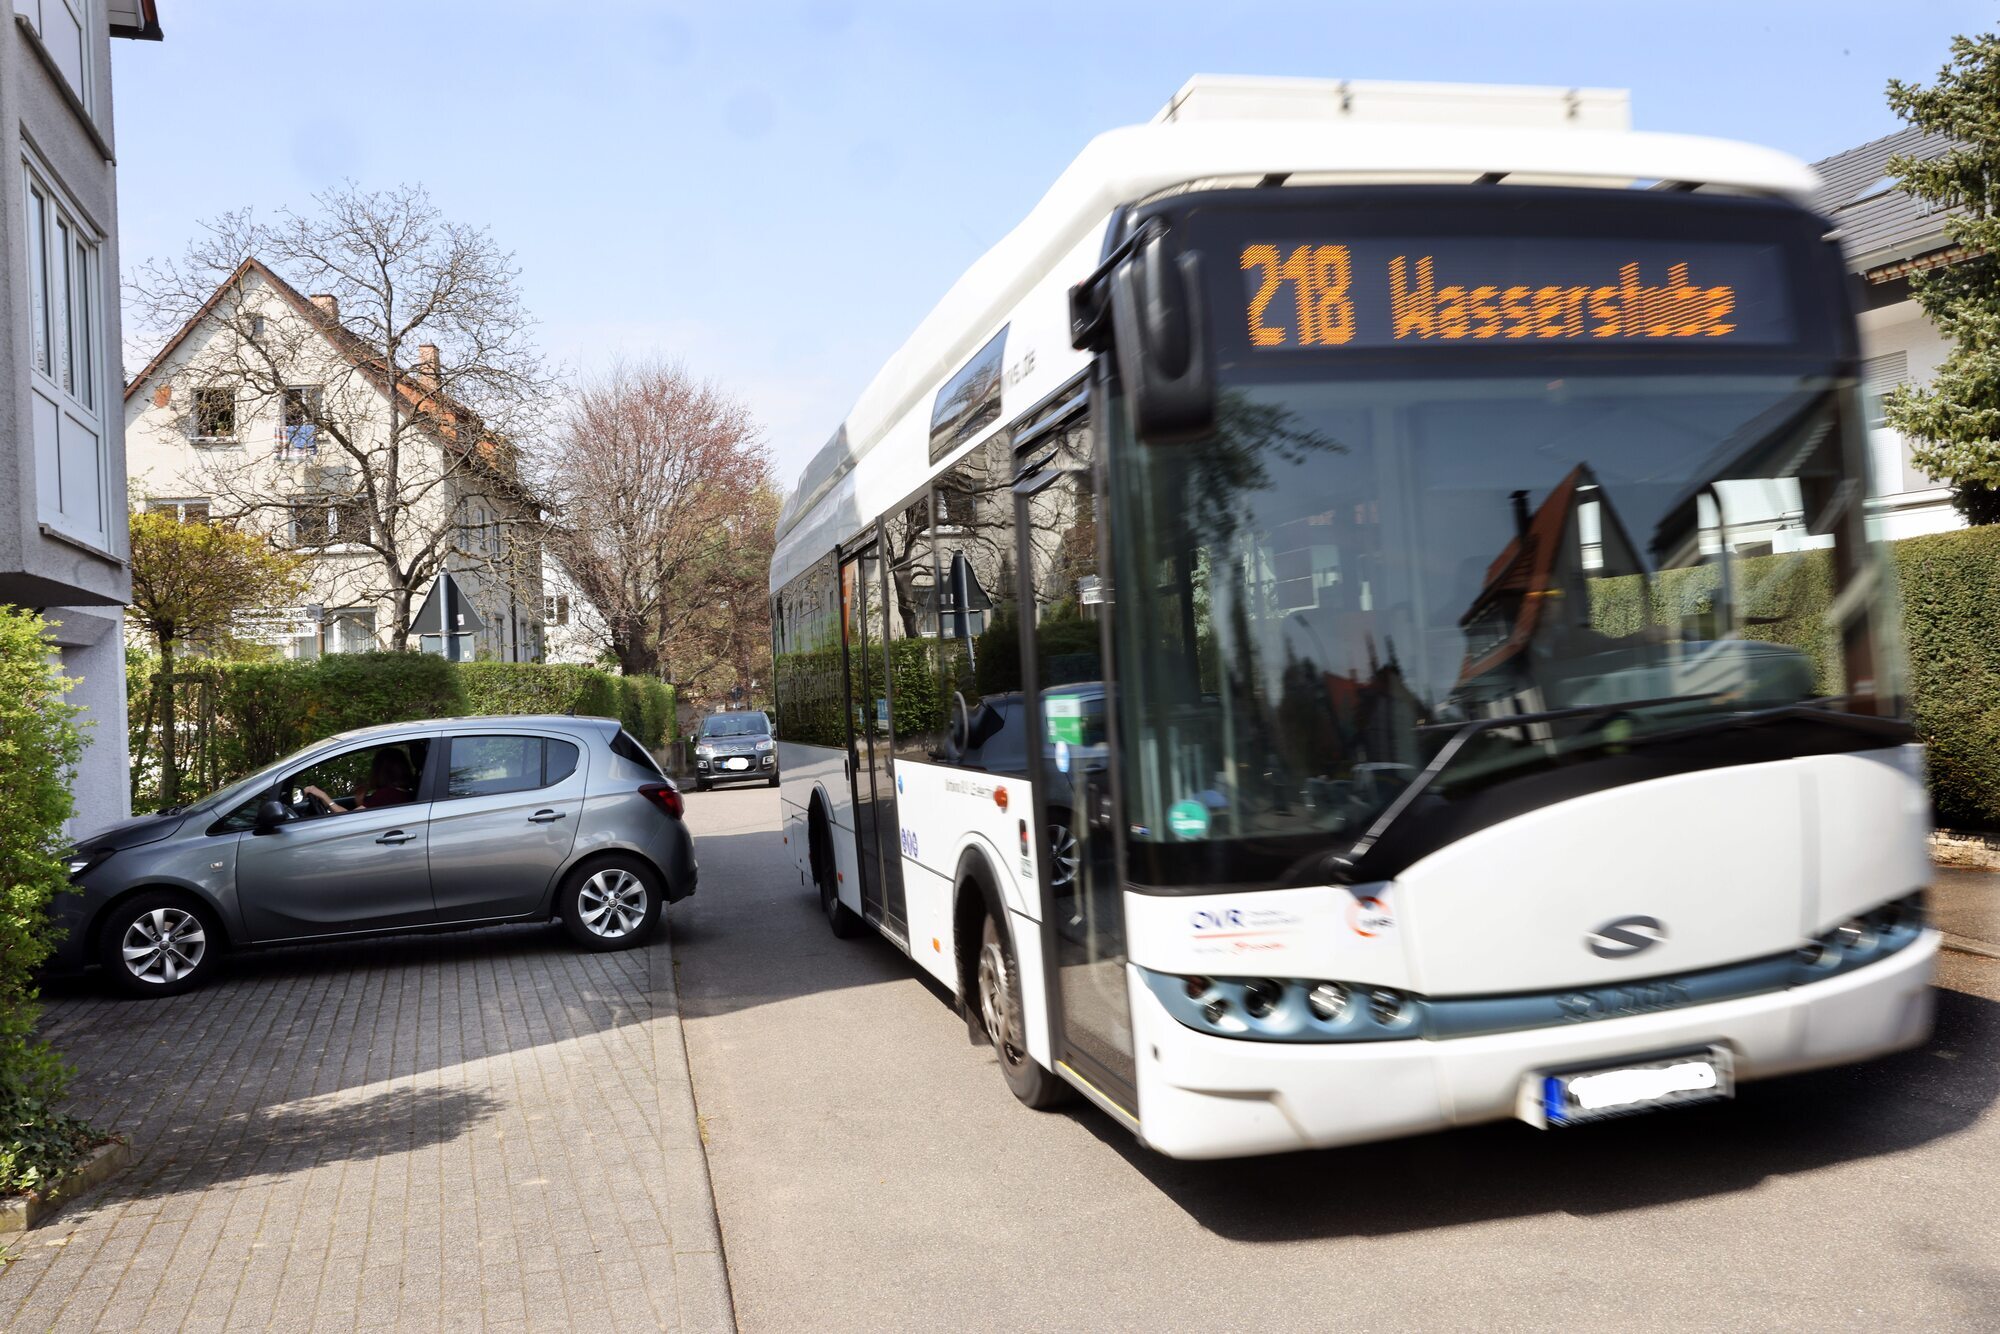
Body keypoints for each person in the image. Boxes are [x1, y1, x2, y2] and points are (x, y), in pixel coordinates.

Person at [302, 747, 416, 816]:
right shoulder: (404, 793)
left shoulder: (386, 795)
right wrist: (361, 803)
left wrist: (323, 796)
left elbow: (348, 818)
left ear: (380, 771)